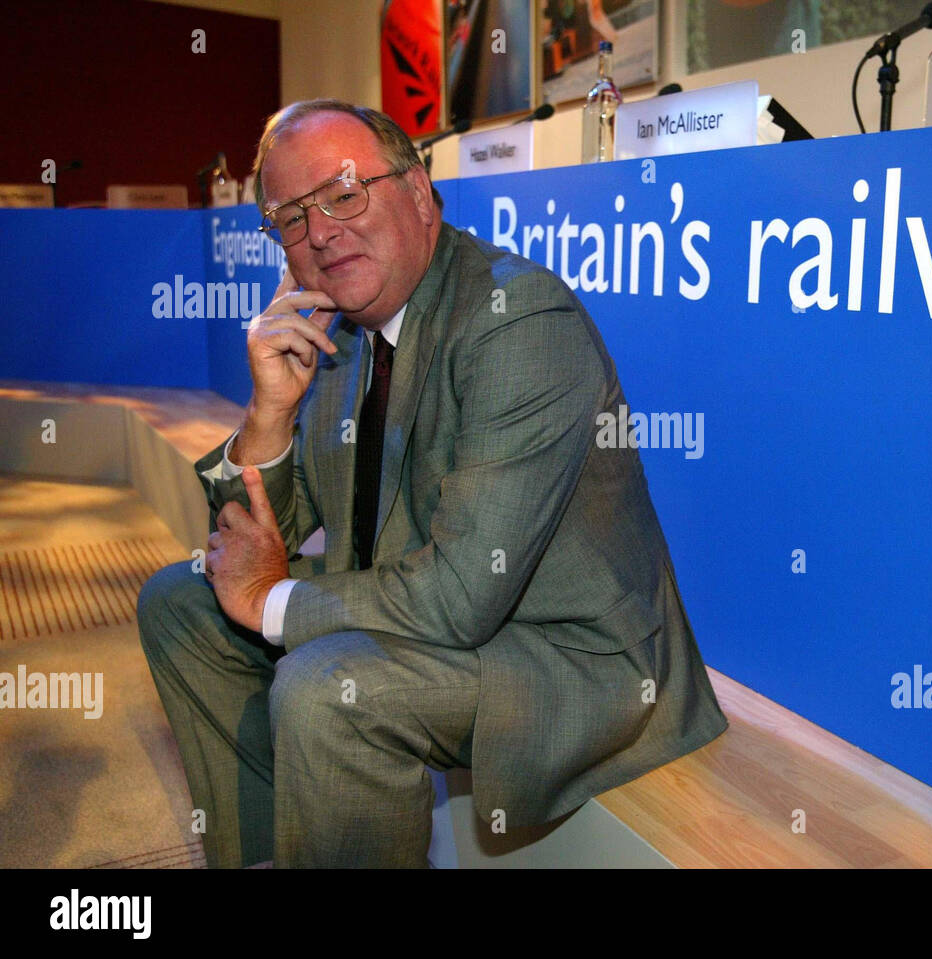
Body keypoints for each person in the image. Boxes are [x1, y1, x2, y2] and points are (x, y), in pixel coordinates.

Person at [136, 98, 728, 868]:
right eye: (290, 217)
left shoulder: (518, 321)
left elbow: (459, 596)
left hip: (566, 655)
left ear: (418, 192)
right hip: (433, 604)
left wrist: (274, 601)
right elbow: (242, 543)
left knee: (325, 688)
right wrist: (270, 413)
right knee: (179, 602)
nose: (319, 232)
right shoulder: (340, 331)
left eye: (345, 194)